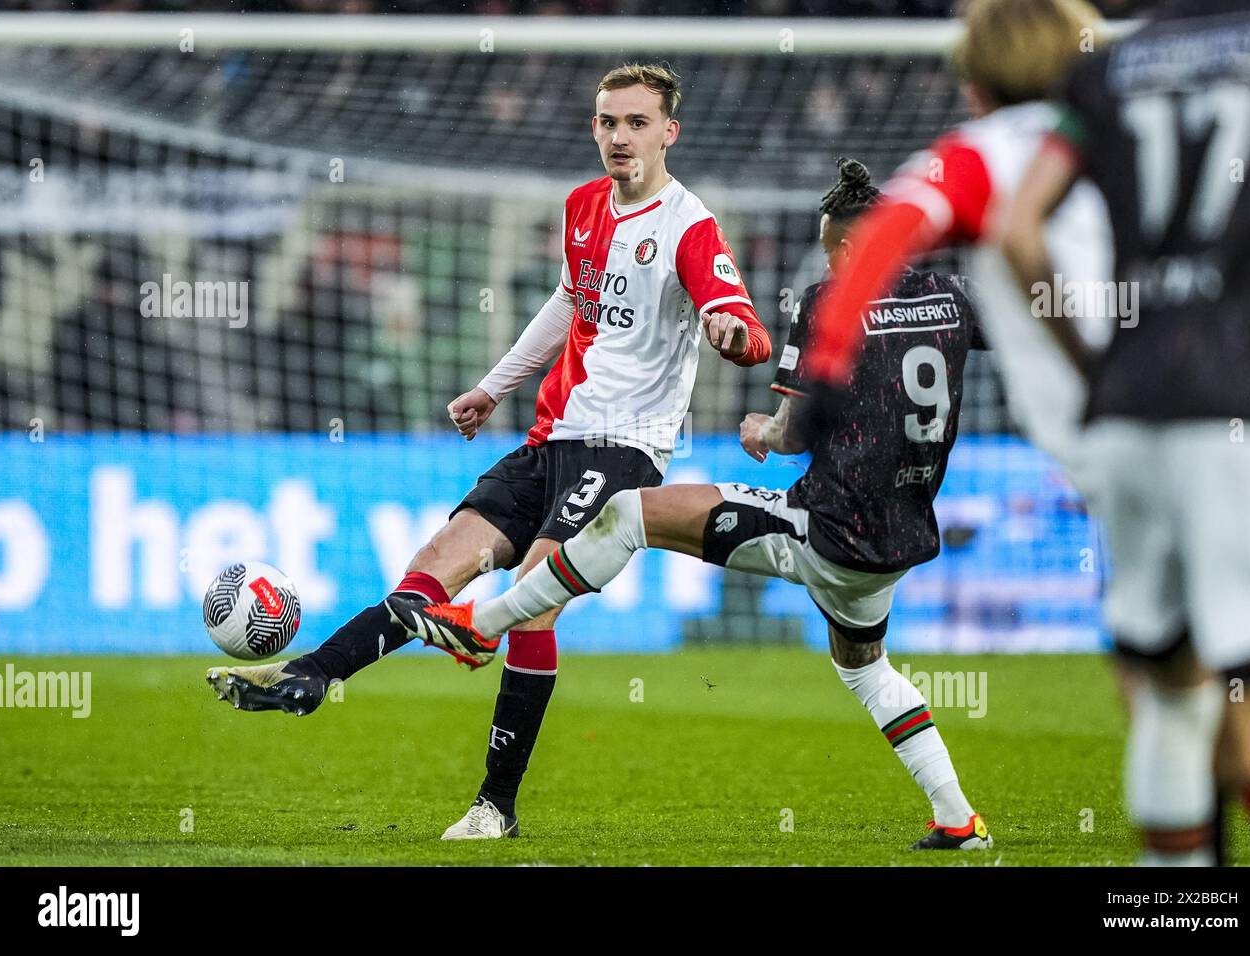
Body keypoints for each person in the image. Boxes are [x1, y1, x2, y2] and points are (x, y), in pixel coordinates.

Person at [205, 61, 772, 801]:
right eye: (608, 122)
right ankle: (311, 676)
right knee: (430, 569)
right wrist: (492, 386)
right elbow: (567, 304)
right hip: (550, 439)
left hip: (624, 447)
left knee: (535, 595)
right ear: (593, 128)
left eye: (637, 123)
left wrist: (732, 335)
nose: (621, 137)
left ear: (671, 132)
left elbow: (751, 330)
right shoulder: (582, 207)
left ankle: (494, 804)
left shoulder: (690, 227)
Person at [425, 158, 993, 850]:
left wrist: (763, 431)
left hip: (821, 530)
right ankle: (958, 819)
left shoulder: (828, 305)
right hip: (897, 543)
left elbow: (793, 432)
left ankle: (485, 620)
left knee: (632, 512)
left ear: (847, 249)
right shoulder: (954, 300)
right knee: (865, 669)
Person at [1002, 0, 1250, 865]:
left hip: (1128, 404)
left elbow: (1021, 231)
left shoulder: (1106, 67)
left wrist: (1094, 365)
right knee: (1249, 690)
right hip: (1245, 403)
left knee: (1170, 694)